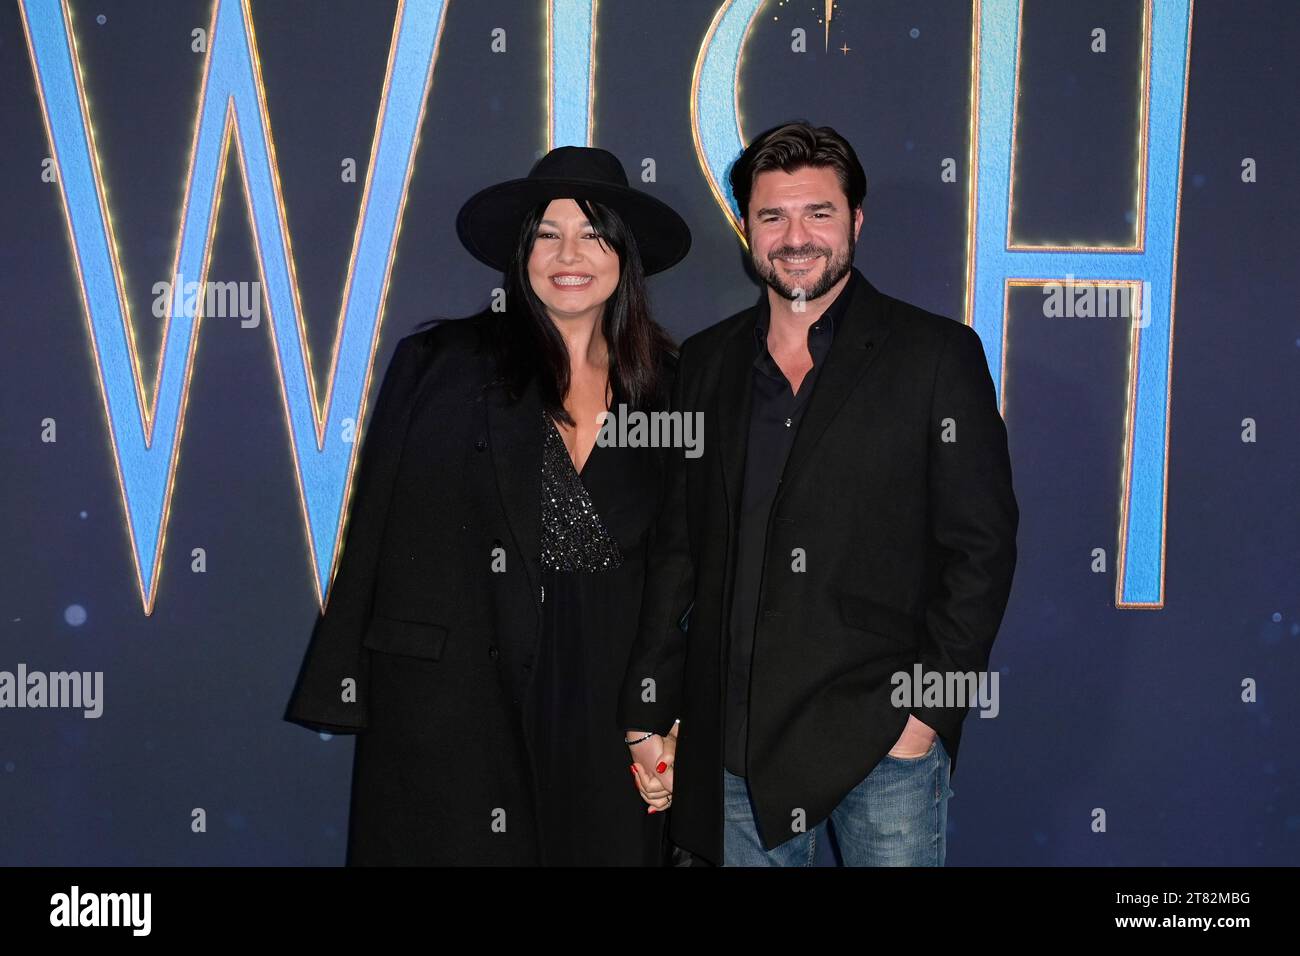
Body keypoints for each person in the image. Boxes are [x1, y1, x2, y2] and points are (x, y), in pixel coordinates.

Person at [619, 121, 1019, 866]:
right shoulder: (705, 364)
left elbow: (983, 550)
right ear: (748, 229)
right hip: (733, 745)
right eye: (773, 216)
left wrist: (926, 714)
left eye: (818, 213)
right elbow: (677, 549)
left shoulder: (935, 356)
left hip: (881, 744)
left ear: (855, 222)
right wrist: (649, 703)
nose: (795, 236)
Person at [285, 145, 691, 865]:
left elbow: (680, 560)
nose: (569, 253)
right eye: (546, 234)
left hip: (607, 709)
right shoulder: (447, 365)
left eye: (594, 234)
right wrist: (346, 675)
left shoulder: (670, 387)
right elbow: (376, 526)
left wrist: (666, 707)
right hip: (460, 703)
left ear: (624, 255)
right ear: (521, 253)